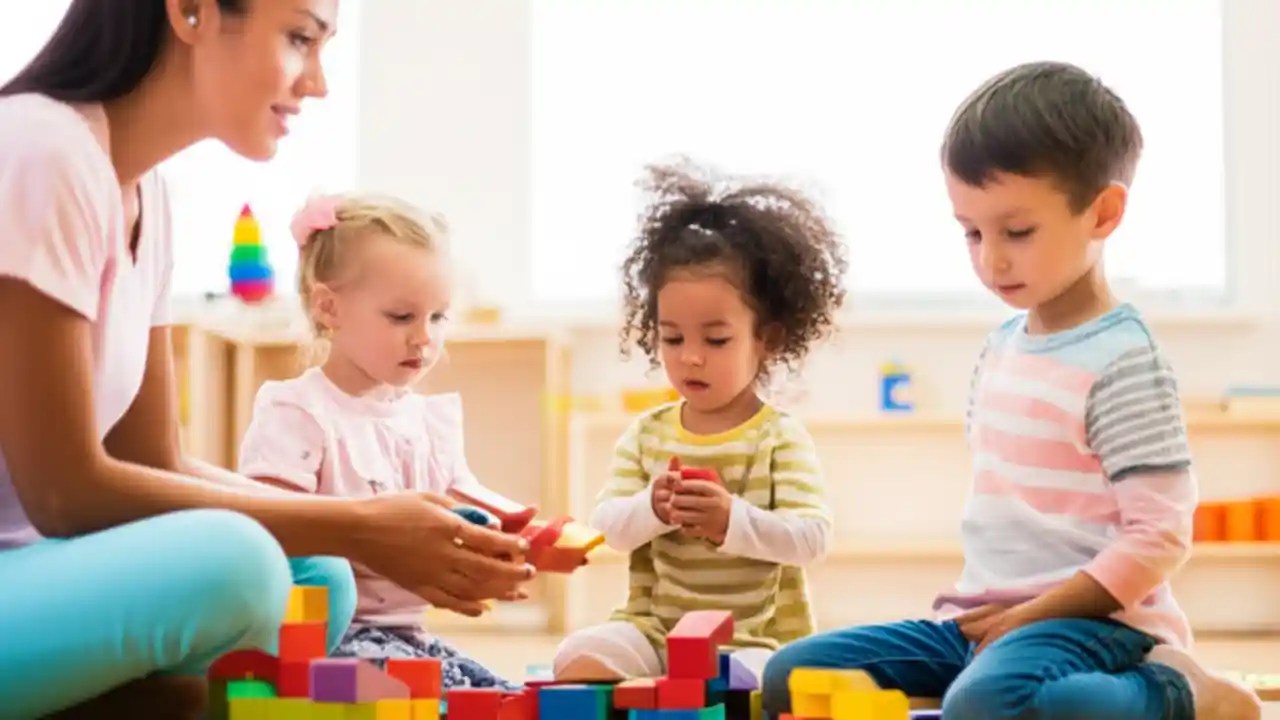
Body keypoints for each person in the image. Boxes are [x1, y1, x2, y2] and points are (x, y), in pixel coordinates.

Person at [0, 2, 530, 717]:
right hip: (27, 563)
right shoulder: (42, 151)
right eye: (299, 39)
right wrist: (366, 524)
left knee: (321, 577)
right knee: (242, 563)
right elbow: (65, 493)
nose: (318, 84)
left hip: (40, 571)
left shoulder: (146, 194)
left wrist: (365, 522)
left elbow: (153, 458)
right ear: (189, 11)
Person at [761, 61, 1262, 720]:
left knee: (991, 700)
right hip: (984, 618)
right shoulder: (1001, 348)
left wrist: (1033, 615)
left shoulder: (1123, 362)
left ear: (1103, 212)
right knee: (790, 673)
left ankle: (1183, 692)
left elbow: (1159, 536)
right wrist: (1002, 621)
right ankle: (994, 684)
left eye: (1017, 232)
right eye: (972, 231)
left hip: (1098, 627)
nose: (990, 260)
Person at [552, 158, 846, 684]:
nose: (690, 357)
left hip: (750, 639)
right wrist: (654, 507)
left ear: (768, 338)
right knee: (576, 656)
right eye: (672, 338)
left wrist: (728, 520)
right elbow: (608, 530)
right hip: (654, 633)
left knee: (761, 683)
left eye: (715, 340)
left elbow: (811, 539)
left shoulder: (778, 437)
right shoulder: (647, 434)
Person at [237, 192, 527, 691]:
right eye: (401, 317)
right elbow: (268, 528)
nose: (424, 338)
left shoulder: (428, 418)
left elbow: (463, 498)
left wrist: (523, 536)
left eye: (438, 317)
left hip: (407, 635)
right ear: (329, 307)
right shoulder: (298, 411)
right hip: (328, 638)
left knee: (505, 698)